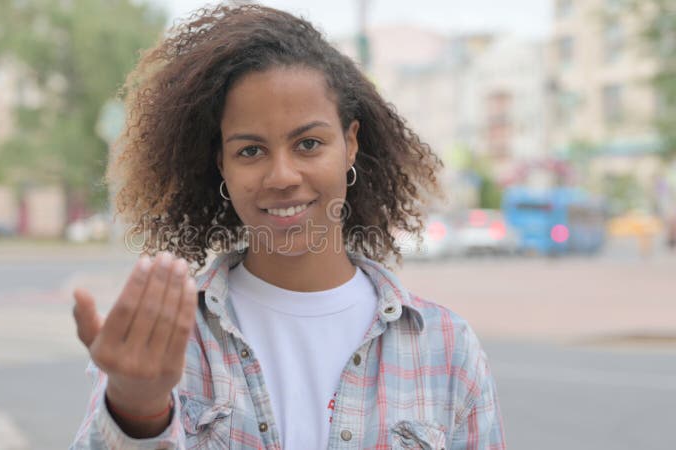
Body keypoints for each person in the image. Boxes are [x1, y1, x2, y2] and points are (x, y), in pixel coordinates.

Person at [70, 4, 505, 449]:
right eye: (250, 151)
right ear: (221, 164)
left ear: (350, 143)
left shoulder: (446, 348)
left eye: (308, 144)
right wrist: (137, 412)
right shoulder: (164, 340)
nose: (282, 176)